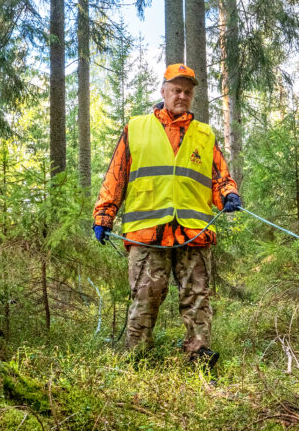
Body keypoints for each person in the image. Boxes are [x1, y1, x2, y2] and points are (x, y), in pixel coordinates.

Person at [93, 63, 242, 367]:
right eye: (176, 89)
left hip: (193, 232)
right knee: (146, 296)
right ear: (163, 91)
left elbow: (219, 175)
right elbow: (116, 175)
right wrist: (104, 215)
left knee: (198, 298)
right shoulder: (136, 128)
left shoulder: (204, 135)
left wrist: (229, 194)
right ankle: (137, 358)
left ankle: (199, 356)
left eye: (187, 91)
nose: (182, 95)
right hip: (147, 232)